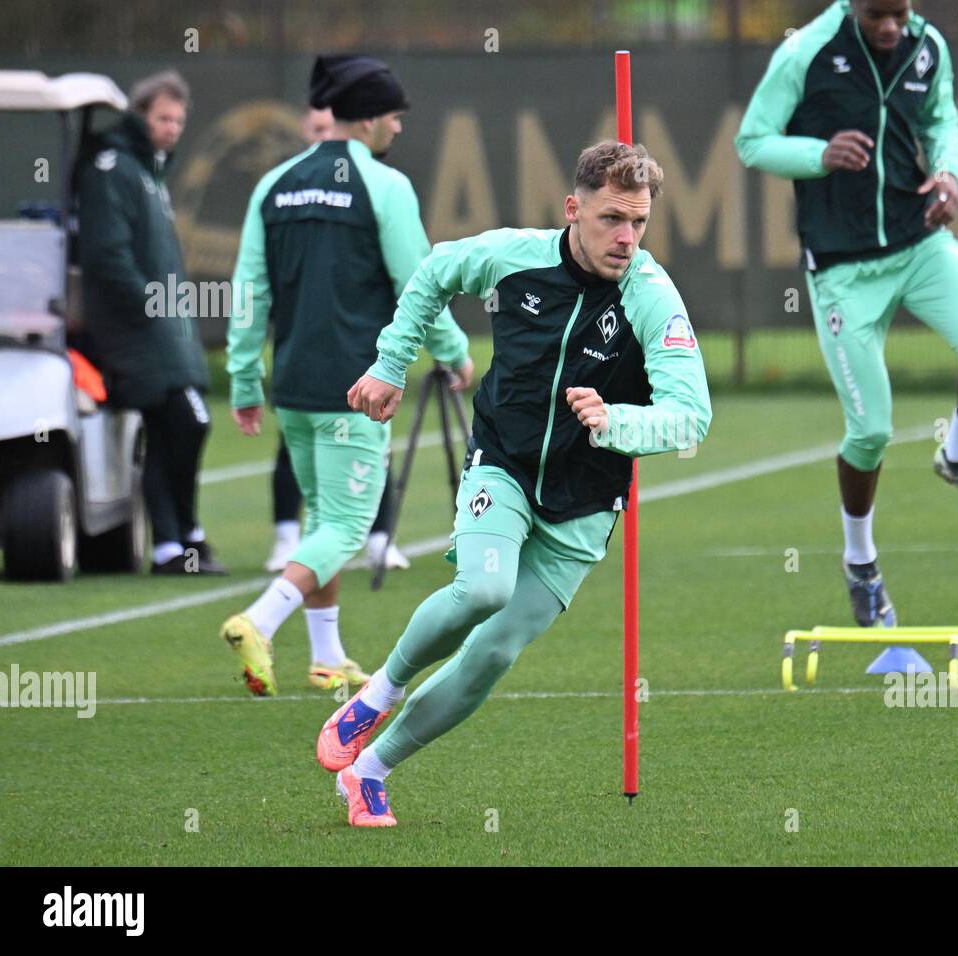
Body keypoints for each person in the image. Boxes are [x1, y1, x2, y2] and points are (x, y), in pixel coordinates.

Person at [315, 141, 712, 826]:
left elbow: (690, 417)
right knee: (485, 588)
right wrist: (390, 363)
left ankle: (371, 771)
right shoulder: (513, 257)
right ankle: (377, 693)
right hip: (503, 460)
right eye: (611, 218)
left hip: (587, 501)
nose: (625, 237)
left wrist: (617, 422)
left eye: (639, 222)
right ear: (572, 208)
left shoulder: (651, 295)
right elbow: (436, 269)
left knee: (493, 653)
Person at [734, 0, 958, 626]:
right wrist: (818, 153)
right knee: (870, 431)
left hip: (921, 245)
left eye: (900, 12)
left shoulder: (928, 46)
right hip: (842, 269)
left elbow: (942, 124)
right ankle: (861, 563)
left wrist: (948, 175)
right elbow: (752, 142)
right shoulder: (804, 52)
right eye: (876, 14)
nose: (891, 27)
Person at [221, 55, 470, 694]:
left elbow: (247, 292)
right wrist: (452, 351)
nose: (398, 128)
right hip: (359, 390)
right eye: (393, 115)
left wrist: (246, 380)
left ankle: (328, 657)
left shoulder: (273, 185)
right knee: (347, 529)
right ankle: (260, 619)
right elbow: (423, 284)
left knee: (322, 524)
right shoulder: (385, 187)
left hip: (296, 387)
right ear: (366, 120)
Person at [77, 69, 227, 575]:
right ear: (139, 115)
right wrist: (150, 304)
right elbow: (106, 255)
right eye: (163, 117)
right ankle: (182, 540)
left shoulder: (149, 172)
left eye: (179, 120)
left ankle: (176, 544)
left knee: (173, 430)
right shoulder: (112, 168)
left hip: (163, 324)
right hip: (137, 329)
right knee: (187, 422)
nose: (172, 128)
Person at [265, 105, 412, 574]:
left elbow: (406, 275)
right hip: (309, 366)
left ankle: (378, 541)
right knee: (336, 528)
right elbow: (419, 279)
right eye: (316, 129)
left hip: (349, 366)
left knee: (332, 517)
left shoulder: (366, 187)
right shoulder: (287, 189)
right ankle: (265, 602)